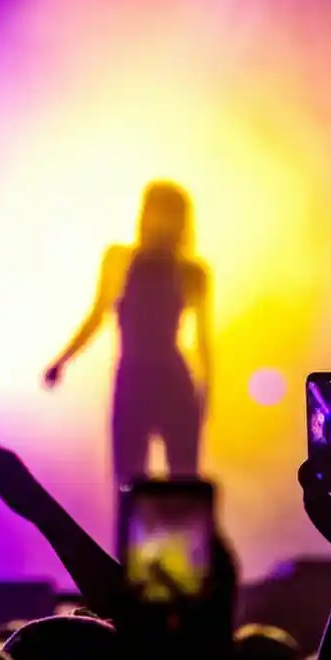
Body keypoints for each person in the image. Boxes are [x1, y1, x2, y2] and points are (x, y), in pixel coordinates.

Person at [44, 180, 211, 483]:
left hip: (174, 382)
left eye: (169, 212)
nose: (160, 219)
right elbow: (97, 315)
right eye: (156, 210)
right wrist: (62, 360)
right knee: (129, 485)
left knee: (184, 486)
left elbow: (203, 342)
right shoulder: (119, 259)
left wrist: (206, 395)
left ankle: (183, 532)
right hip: (132, 381)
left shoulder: (193, 273)